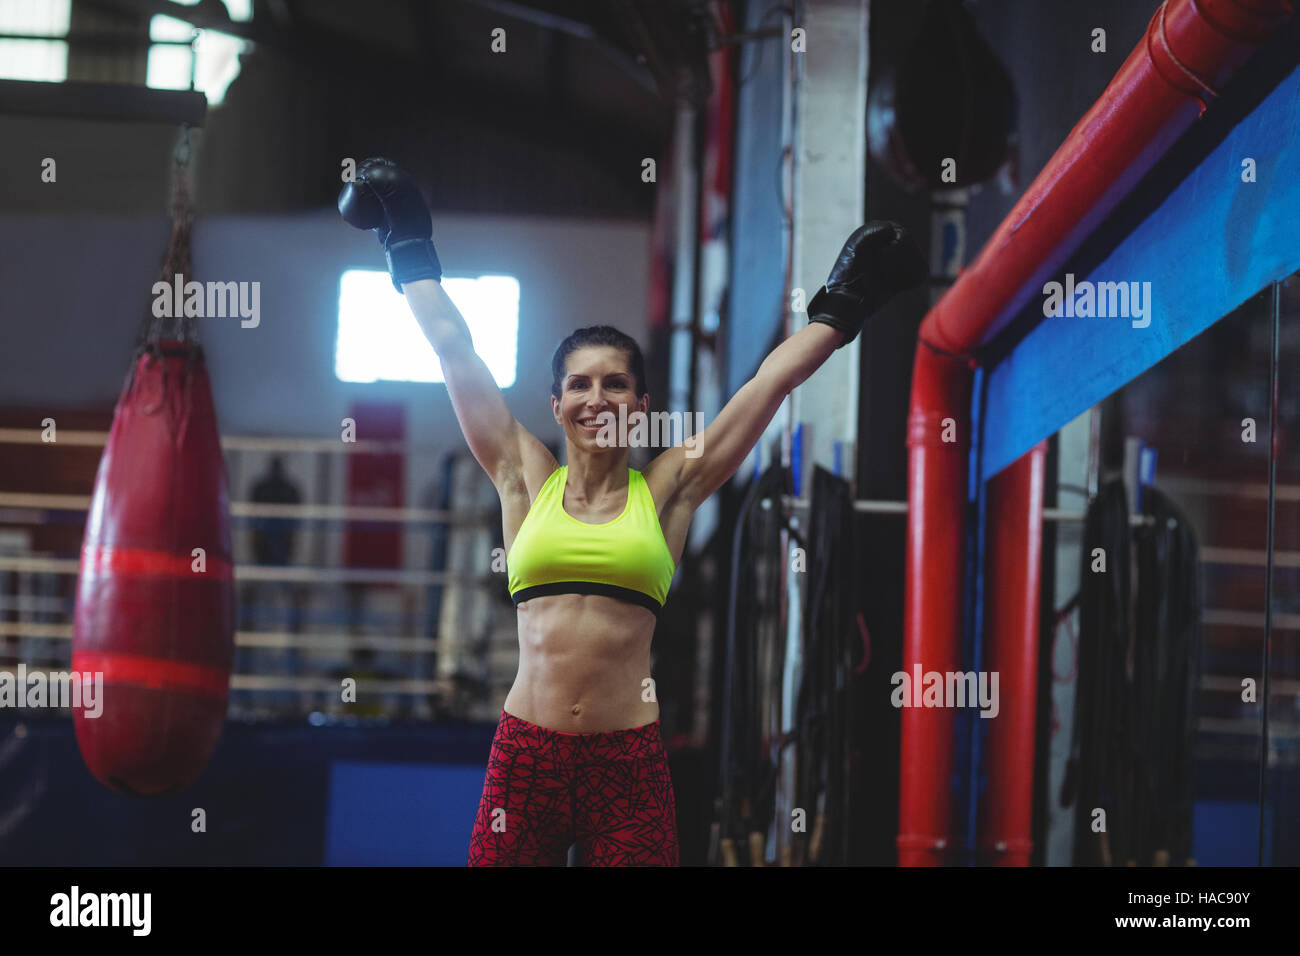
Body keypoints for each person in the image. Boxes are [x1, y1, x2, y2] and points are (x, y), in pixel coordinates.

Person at [339, 157, 926, 866]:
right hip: (527, 758)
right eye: (580, 384)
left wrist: (842, 308)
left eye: (616, 384)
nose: (597, 398)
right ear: (555, 405)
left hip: (629, 766)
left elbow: (769, 384)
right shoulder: (523, 476)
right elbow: (454, 350)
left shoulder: (670, 488)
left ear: (640, 407)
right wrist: (407, 241)